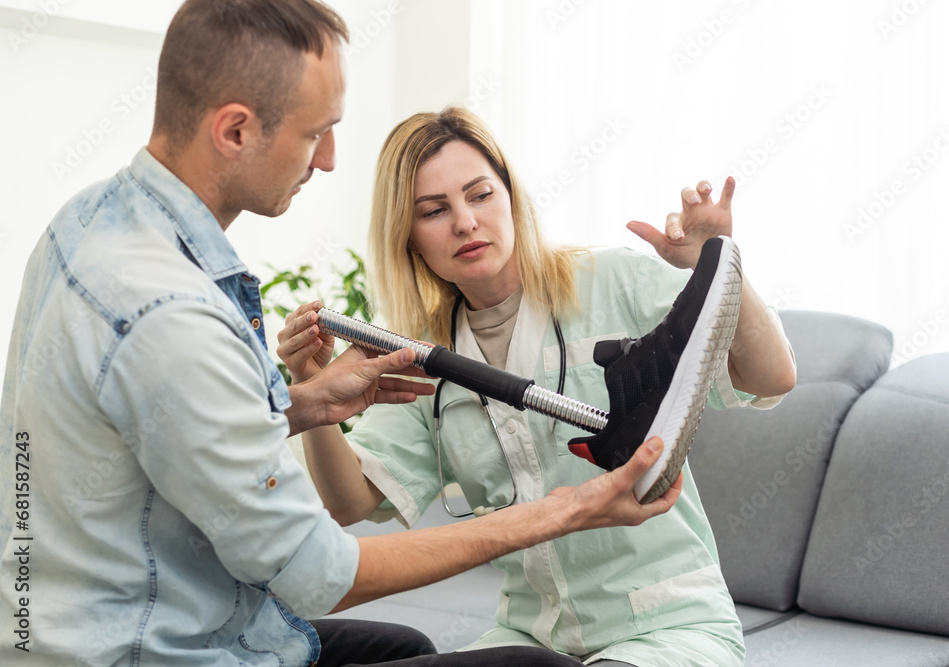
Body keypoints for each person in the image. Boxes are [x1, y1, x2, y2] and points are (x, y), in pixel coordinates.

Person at [0, 3, 683, 666]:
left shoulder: (88, 220)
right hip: (148, 649)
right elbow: (320, 572)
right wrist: (566, 509)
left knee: (404, 647)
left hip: (61, 630)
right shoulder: (173, 313)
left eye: (480, 195)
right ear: (235, 130)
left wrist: (311, 401)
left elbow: (156, 417)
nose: (326, 160)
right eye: (314, 132)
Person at [278, 107, 797, 666]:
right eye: (435, 211)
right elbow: (350, 501)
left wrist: (722, 266)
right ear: (408, 238)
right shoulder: (422, 350)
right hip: (531, 634)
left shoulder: (613, 281)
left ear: (511, 197)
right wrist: (311, 388)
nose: (465, 222)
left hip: (667, 626)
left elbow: (772, 379)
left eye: (480, 195)